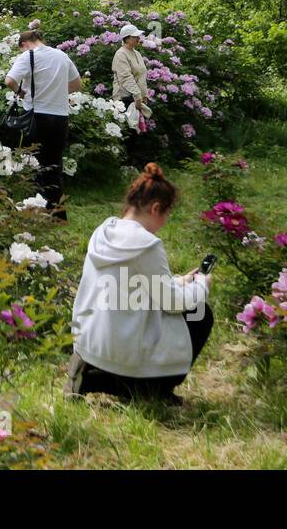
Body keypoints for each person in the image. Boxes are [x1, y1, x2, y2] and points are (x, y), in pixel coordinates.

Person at [67, 163, 213, 404]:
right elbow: (173, 303)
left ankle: (87, 372)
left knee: (184, 305)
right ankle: (152, 390)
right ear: (156, 208)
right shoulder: (147, 244)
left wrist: (181, 281)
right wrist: (201, 286)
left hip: (88, 340)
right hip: (122, 349)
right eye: (166, 215)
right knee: (200, 314)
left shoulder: (103, 231)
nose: (164, 223)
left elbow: (131, 286)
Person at [4, 29, 82, 218]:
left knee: (36, 163)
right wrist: (56, 92)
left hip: (37, 116)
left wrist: (21, 93)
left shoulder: (28, 55)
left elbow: (9, 81)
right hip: (60, 116)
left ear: (24, 44)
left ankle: (38, 210)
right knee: (54, 165)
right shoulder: (62, 56)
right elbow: (77, 84)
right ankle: (57, 214)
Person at [111, 24, 150, 124]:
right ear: (127, 39)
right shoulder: (121, 54)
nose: (138, 38)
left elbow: (142, 75)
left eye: (138, 36)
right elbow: (126, 78)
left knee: (138, 131)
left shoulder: (137, 53)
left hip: (137, 100)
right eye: (135, 36)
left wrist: (144, 95)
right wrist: (137, 96)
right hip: (125, 99)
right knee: (128, 133)